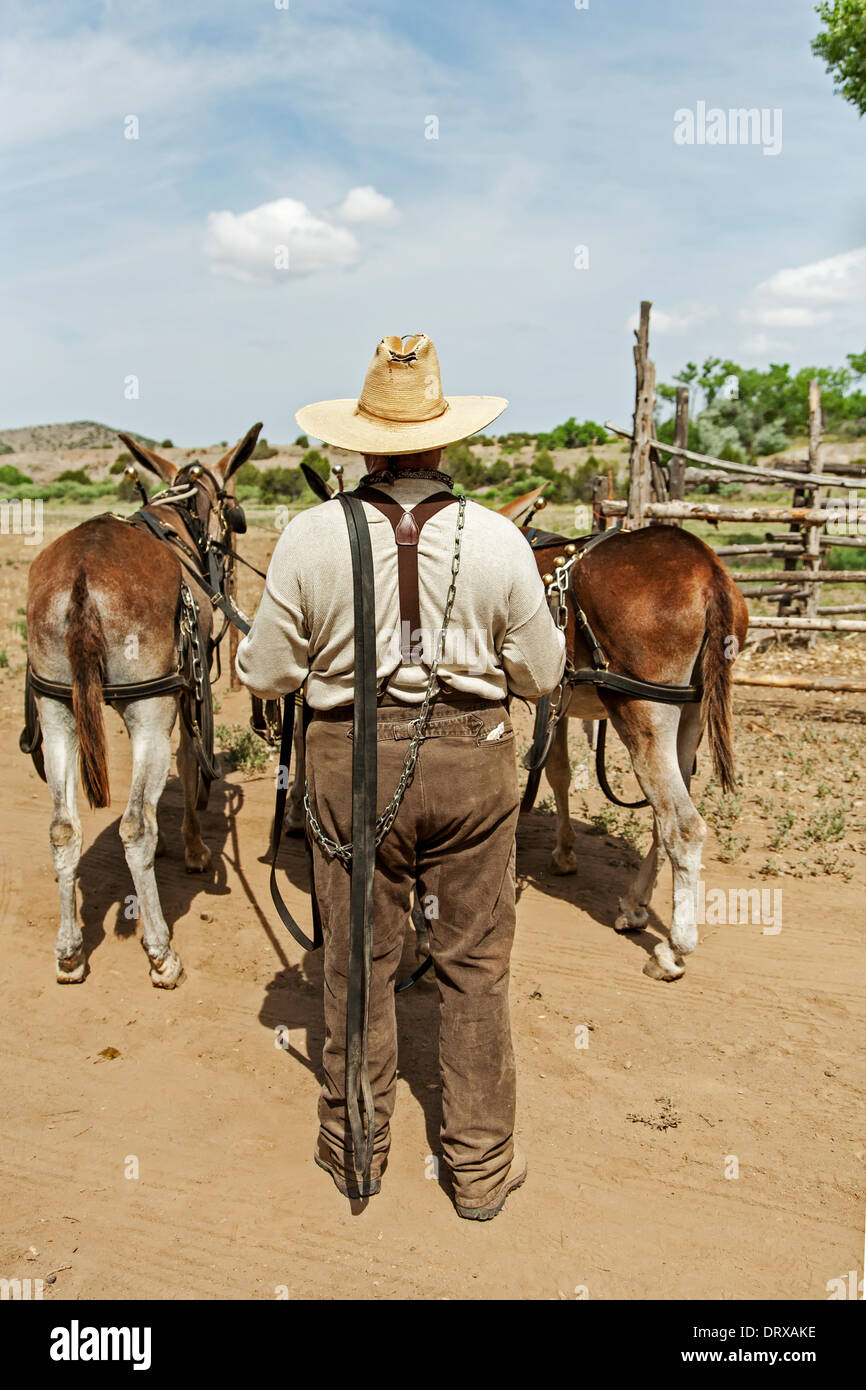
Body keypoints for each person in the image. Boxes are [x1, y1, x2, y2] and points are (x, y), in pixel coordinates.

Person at [236, 333, 565, 1218]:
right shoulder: (497, 540)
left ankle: (355, 1146)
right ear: (444, 441)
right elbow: (541, 672)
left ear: (363, 443)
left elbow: (265, 675)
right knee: (475, 964)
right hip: (475, 760)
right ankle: (481, 1168)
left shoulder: (309, 536)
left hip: (350, 764)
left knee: (356, 961)